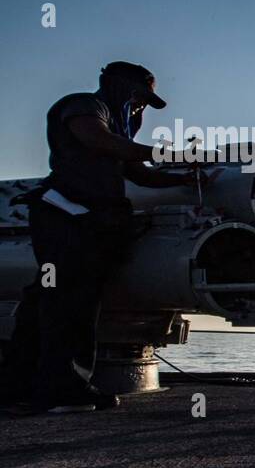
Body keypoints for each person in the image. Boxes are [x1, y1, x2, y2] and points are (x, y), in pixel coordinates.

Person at [6, 62, 203, 414]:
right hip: (65, 214)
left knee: (49, 299)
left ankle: (21, 385)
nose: (140, 108)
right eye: (139, 99)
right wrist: (165, 154)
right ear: (116, 85)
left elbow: (139, 175)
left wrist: (184, 179)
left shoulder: (120, 132)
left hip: (90, 222)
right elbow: (99, 140)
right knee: (70, 302)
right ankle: (63, 390)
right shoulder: (85, 106)